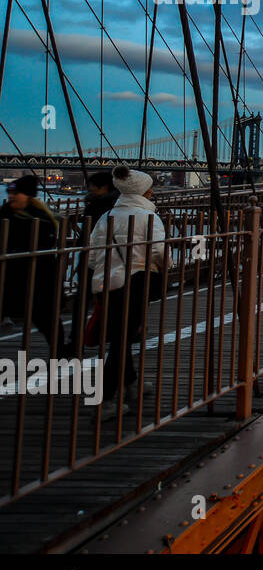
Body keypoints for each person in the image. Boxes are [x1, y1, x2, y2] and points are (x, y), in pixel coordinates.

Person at [88, 167, 168, 405]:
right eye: (150, 188)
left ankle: (131, 383)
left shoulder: (106, 216)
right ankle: (106, 400)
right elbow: (158, 251)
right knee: (124, 338)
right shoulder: (149, 218)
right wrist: (167, 267)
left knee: (120, 334)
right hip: (137, 281)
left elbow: (93, 255)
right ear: (145, 192)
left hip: (108, 283)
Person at [0, 174, 66, 355]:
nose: (12, 196)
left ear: (28, 195)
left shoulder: (41, 219)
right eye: (10, 193)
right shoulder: (6, 213)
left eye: (17, 193)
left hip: (37, 277)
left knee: (45, 317)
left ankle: (59, 352)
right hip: (11, 276)